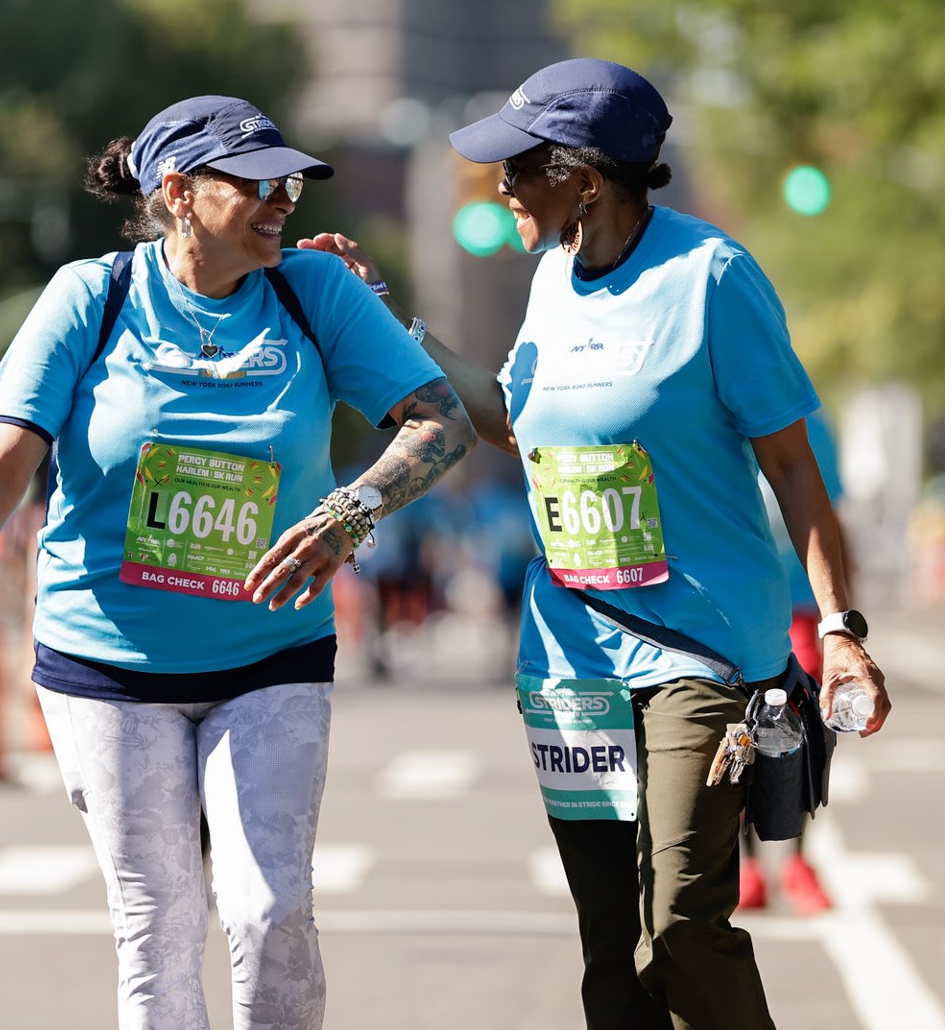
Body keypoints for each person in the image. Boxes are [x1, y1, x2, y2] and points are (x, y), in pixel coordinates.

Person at [303, 59, 891, 1029]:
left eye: (520, 166)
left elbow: (793, 470)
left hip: (702, 657)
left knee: (681, 927)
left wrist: (838, 625)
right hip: (571, 659)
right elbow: (507, 418)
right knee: (610, 960)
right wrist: (382, 316)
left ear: (583, 177)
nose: (500, 186)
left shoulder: (713, 278)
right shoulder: (549, 283)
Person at [0, 95, 474, 1030]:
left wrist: (346, 516)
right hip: (107, 664)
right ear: (180, 192)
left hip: (271, 655)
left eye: (289, 182)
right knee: (158, 928)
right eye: (257, 184)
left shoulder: (316, 292)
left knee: (269, 909)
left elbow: (445, 419)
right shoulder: (93, 296)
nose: (282, 199)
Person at [739, 407, 844, 915]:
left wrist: (843, 622)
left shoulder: (812, 427)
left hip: (799, 603)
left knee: (802, 728)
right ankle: (746, 867)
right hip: (731, 603)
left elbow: (830, 515)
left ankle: (798, 862)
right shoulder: (702, 412)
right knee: (730, 726)